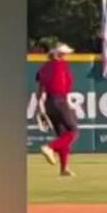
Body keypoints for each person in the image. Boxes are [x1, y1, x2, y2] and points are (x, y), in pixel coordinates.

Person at [35, 42, 79, 177]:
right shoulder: (62, 65)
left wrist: (40, 107)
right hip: (60, 101)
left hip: (49, 103)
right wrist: (67, 101)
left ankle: (64, 169)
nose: (66, 56)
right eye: (65, 54)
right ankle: (49, 147)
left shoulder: (43, 68)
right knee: (73, 131)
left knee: (63, 135)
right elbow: (66, 85)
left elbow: (39, 91)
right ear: (59, 54)